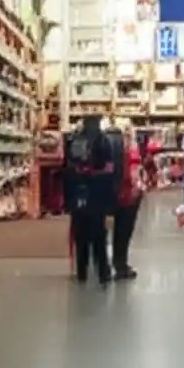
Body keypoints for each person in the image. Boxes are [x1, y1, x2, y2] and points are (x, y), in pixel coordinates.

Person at [63, 115, 114, 285]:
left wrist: (69, 199)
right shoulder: (103, 141)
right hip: (97, 196)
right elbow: (109, 171)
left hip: (79, 195)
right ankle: (102, 273)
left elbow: (68, 169)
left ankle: (82, 273)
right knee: (99, 237)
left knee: (81, 237)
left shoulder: (73, 140)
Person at [108, 126, 143, 279]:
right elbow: (133, 177)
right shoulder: (131, 152)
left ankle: (101, 266)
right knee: (123, 233)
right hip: (128, 197)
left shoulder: (105, 151)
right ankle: (120, 265)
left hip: (109, 194)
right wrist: (139, 188)